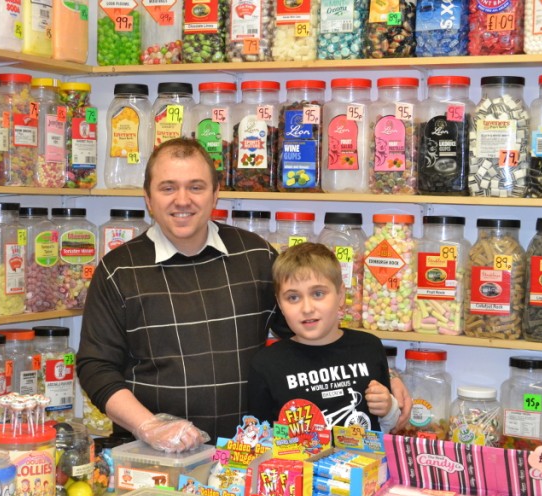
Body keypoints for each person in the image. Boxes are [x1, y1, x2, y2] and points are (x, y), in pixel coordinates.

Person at [76, 138, 410, 452]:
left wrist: (378, 375)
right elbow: (96, 368)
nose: (183, 199)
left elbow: (314, 332)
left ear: (215, 194)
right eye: (168, 188)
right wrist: (149, 427)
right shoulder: (118, 270)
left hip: (248, 458)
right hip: (156, 457)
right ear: (148, 198)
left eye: (196, 187)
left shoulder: (255, 257)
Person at [248, 242, 400, 433]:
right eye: (293, 298)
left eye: (318, 293)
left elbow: (384, 428)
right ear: (279, 303)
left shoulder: (369, 348)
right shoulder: (266, 364)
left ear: (341, 295)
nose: (307, 308)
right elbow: (258, 438)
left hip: (364, 461)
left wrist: (389, 409)